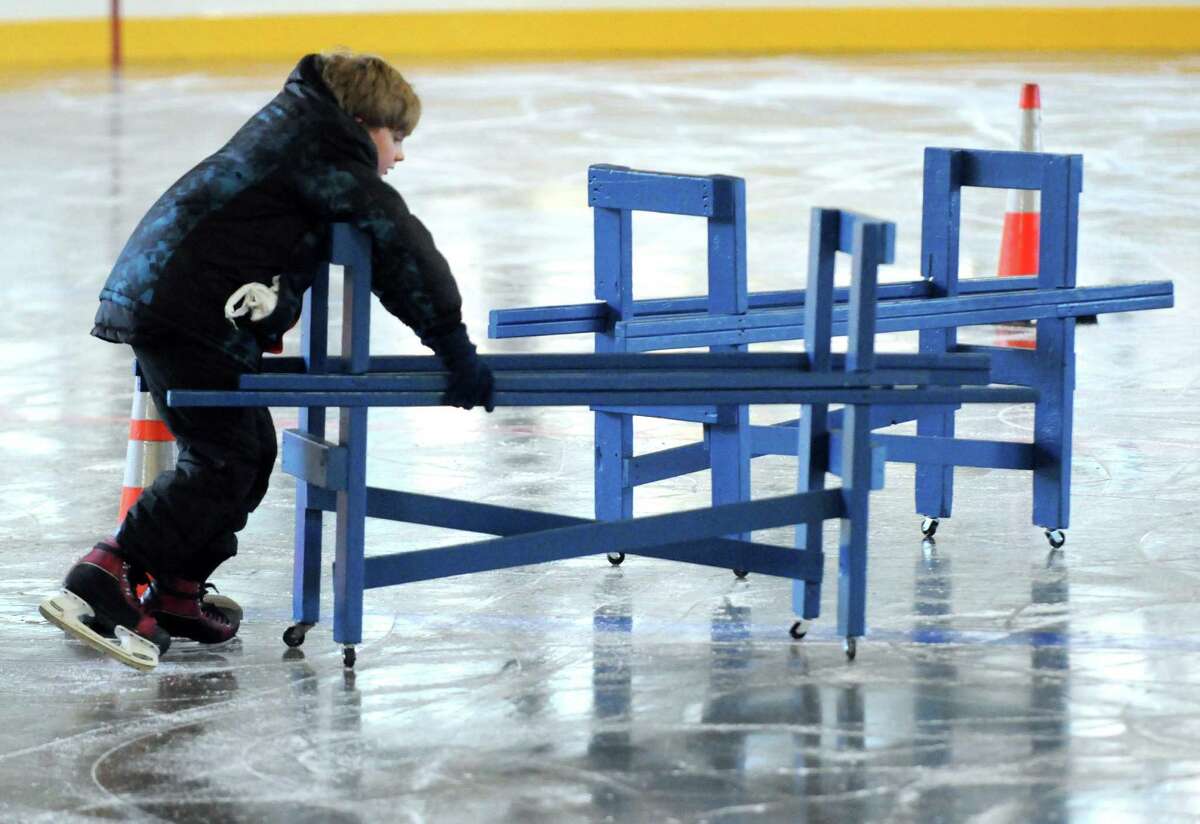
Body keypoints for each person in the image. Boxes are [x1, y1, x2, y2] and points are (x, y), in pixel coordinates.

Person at [39, 50, 494, 671]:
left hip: (181, 303)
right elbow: (400, 247)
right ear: (363, 124)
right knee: (226, 457)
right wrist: (454, 348)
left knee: (248, 451)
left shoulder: (299, 134)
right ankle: (110, 569)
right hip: (184, 308)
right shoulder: (324, 151)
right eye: (397, 137)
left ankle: (176, 587)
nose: (400, 156)